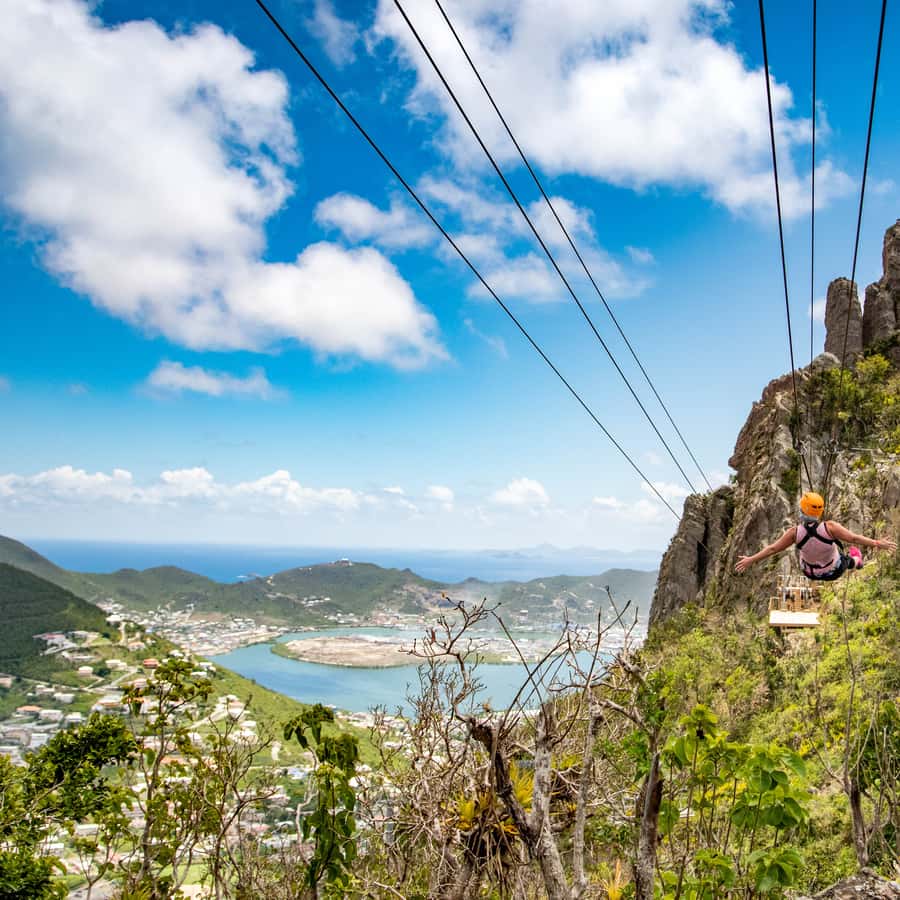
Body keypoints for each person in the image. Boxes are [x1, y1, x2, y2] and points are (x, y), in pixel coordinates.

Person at [735, 491, 897, 581]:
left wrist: (751, 560)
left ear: (802, 511)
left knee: (835, 557)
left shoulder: (794, 532)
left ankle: (854, 561)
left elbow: (772, 549)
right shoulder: (831, 527)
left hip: (810, 573)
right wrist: (877, 542)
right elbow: (854, 538)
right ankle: (857, 561)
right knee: (847, 559)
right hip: (833, 571)